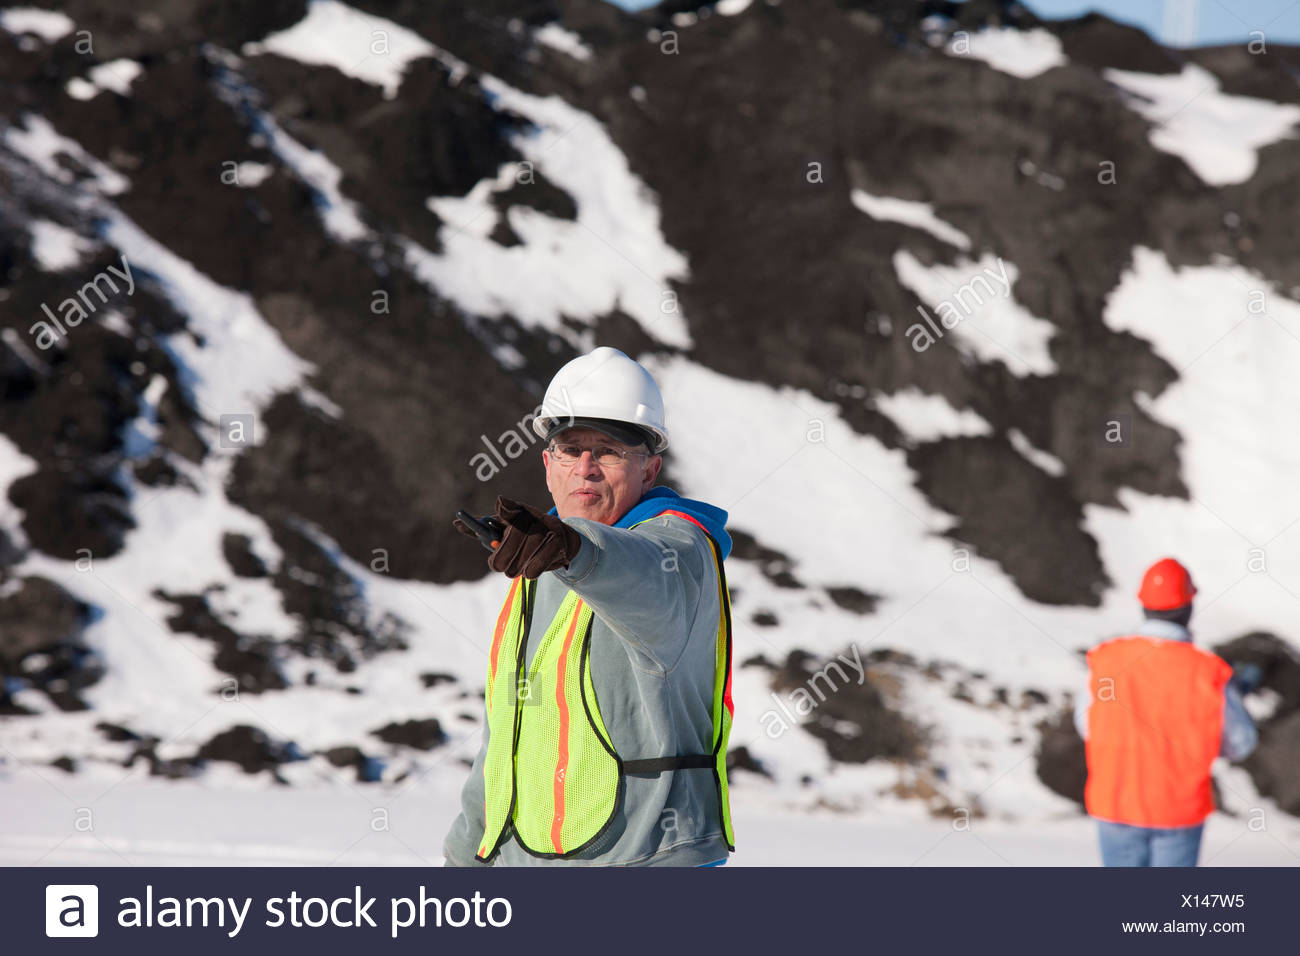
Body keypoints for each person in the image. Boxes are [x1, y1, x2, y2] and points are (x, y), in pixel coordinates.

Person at [442, 346, 736, 866]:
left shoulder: (681, 553)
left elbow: (644, 581)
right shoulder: (538, 569)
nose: (586, 469)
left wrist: (572, 548)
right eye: (570, 448)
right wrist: (464, 863)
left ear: (650, 469)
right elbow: (503, 748)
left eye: (609, 451)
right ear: (546, 464)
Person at [1074, 558, 1257, 867]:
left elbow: (1087, 725)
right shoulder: (1210, 672)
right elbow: (1240, 743)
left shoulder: (1107, 660)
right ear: (1189, 606)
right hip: (1178, 811)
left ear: (1143, 604)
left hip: (1115, 805)